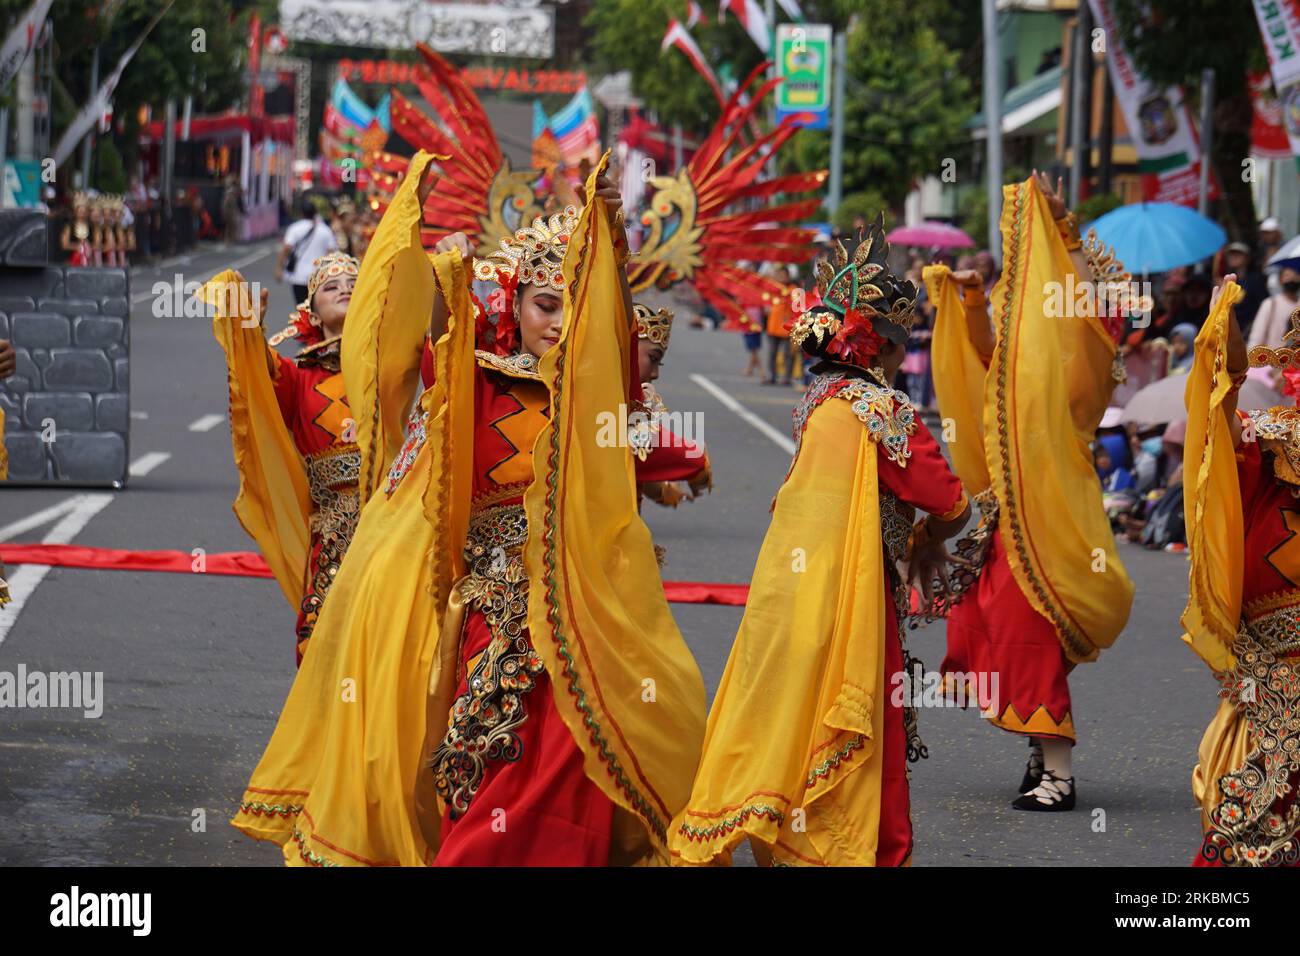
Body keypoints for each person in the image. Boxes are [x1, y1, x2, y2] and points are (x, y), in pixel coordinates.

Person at [231, 151, 708, 867]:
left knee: (578, 767)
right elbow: (423, 342)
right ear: (513, 304)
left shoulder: (593, 404)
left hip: (582, 621)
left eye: (570, 307)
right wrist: (425, 251)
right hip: (491, 617)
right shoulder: (476, 381)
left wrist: (607, 222)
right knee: (489, 765)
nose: (557, 323)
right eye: (545, 305)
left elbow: (672, 448)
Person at [670, 215, 971, 867]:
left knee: (783, 713)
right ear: (886, 345)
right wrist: (928, 539)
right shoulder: (884, 411)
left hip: (786, 594)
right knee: (859, 736)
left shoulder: (819, 400)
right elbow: (953, 502)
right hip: (852, 599)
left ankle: (780, 838)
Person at [925, 171, 1134, 812]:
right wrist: (968, 307)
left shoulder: (1078, 371)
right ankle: (1040, 755)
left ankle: (1060, 775)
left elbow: (1084, 313)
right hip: (1007, 520)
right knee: (992, 627)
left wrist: (1063, 228)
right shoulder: (1025, 356)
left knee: (1027, 633)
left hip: (1048, 518)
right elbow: (988, 360)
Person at [1181, 272, 1300, 867]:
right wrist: (1222, 359)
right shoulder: (1272, 438)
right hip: (1272, 661)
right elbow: (1220, 436)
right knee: (1254, 810)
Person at [205, 252, 363, 665]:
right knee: (324, 636)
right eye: (331, 287)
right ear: (312, 312)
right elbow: (258, 375)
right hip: (332, 527)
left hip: (388, 522)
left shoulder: (387, 366)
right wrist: (248, 326)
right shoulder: (298, 377)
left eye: (354, 282)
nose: (345, 288)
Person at [277, 199, 337, 304]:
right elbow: (331, 252)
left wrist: (279, 268)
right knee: (315, 308)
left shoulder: (294, 228)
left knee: (301, 308)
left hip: (298, 276)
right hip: (318, 276)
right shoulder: (325, 230)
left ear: (301, 213)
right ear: (315, 213)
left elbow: (286, 249)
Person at [1246, 265, 1300, 350]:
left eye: (1296, 275)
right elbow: (1256, 336)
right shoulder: (1270, 304)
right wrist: (1251, 358)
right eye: (1287, 275)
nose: (1292, 279)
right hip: (1272, 360)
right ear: (1280, 280)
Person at [763, 265, 795, 386]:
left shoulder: (793, 290)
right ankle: (771, 375)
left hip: (786, 327)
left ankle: (787, 377)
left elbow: (796, 307)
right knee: (772, 353)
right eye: (779, 275)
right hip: (773, 326)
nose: (781, 277)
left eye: (783, 275)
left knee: (787, 354)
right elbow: (766, 304)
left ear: (788, 276)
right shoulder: (772, 289)